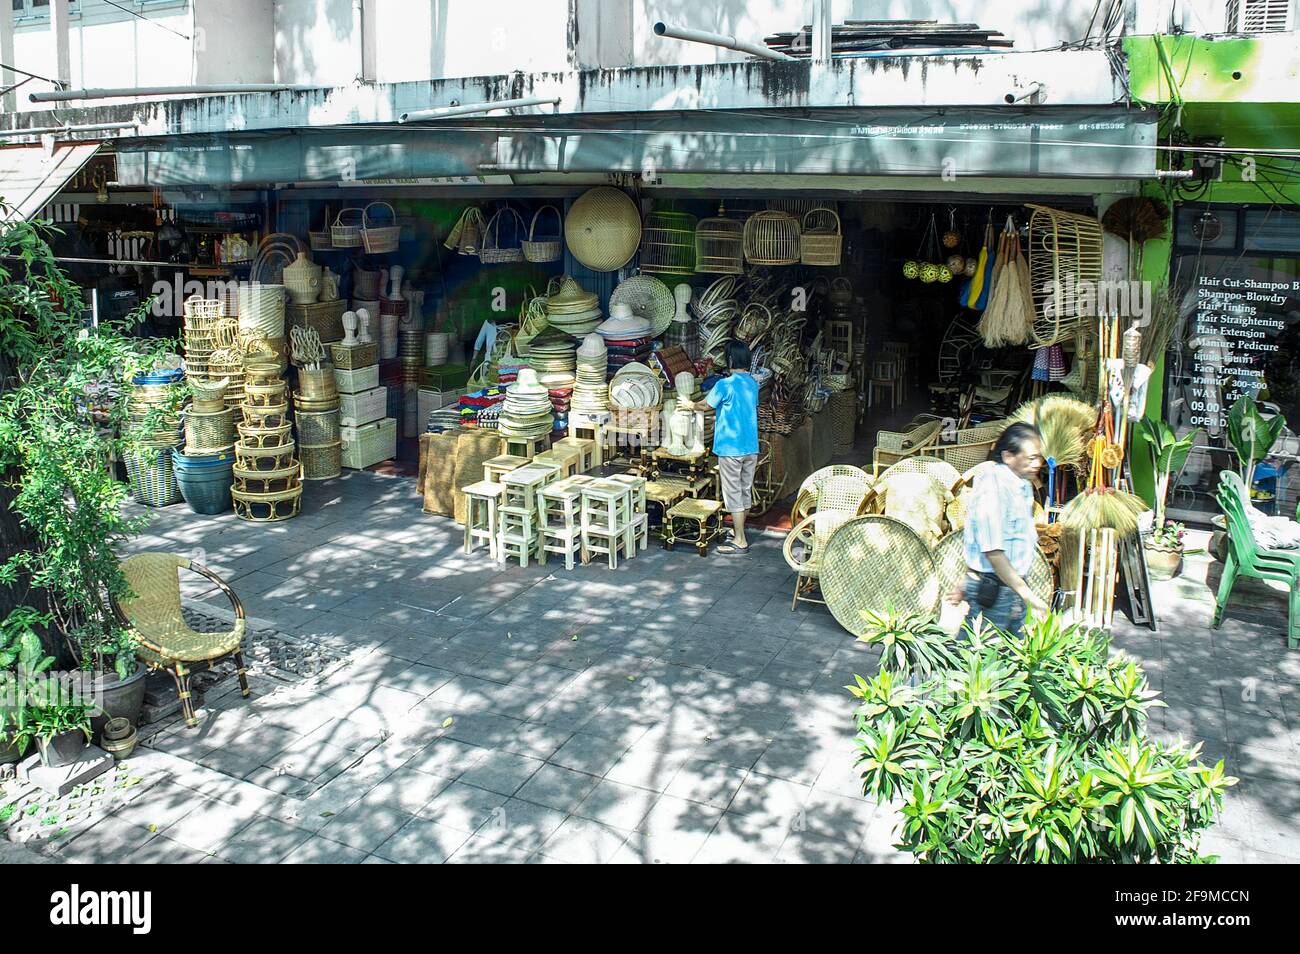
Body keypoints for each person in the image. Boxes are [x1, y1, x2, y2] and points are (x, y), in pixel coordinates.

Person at [954, 421, 1050, 633]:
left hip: (1010, 586)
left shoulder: (1022, 484)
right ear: (1008, 456)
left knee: (1010, 655)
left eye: (1039, 457)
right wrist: (1029, 596)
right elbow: (993, 552)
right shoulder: (993, 489)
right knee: (981, 656)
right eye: (1031, 458)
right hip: (994, 590)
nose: (1038, 463)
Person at [696, 340, 759, 554]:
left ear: (730, 359)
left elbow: (706, 405)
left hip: (731, 448)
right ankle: (738, 532)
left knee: (733, 494)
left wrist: (690, 405)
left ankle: (740, 540)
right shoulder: (753, 383)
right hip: (751, 446)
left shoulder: (725, 384)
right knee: (744, 491)